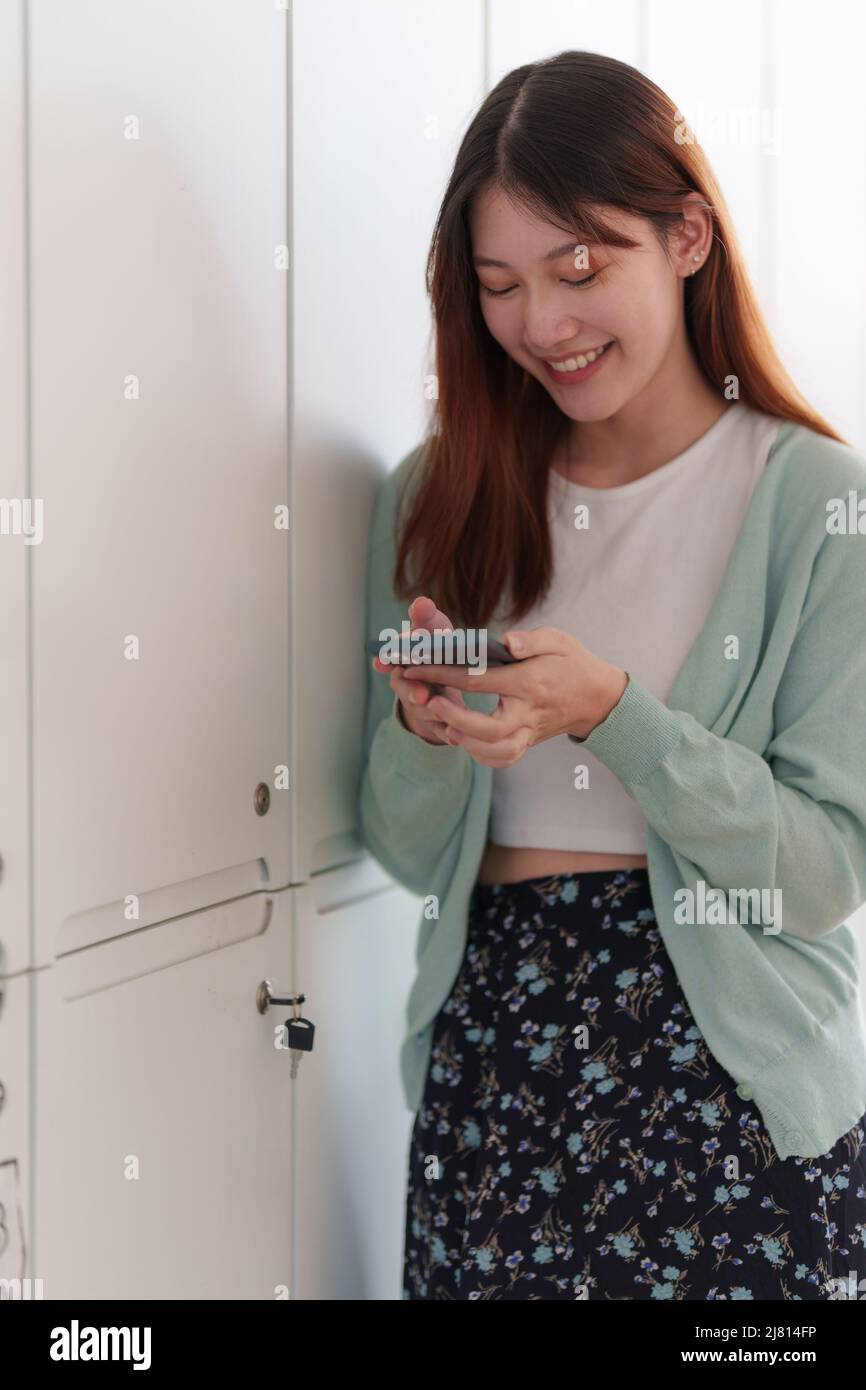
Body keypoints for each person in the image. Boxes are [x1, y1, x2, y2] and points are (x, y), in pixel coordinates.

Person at [358, 50, 866, 1300]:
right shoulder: (436, 500)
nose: (541, 324)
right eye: (499, 286)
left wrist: (610, 715)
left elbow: (822, 872)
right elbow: (409, 855)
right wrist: (426, 738)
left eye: (579, 268)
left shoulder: (816, 505)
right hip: (494, 1080)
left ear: (685, 233)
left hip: (728, 1095)